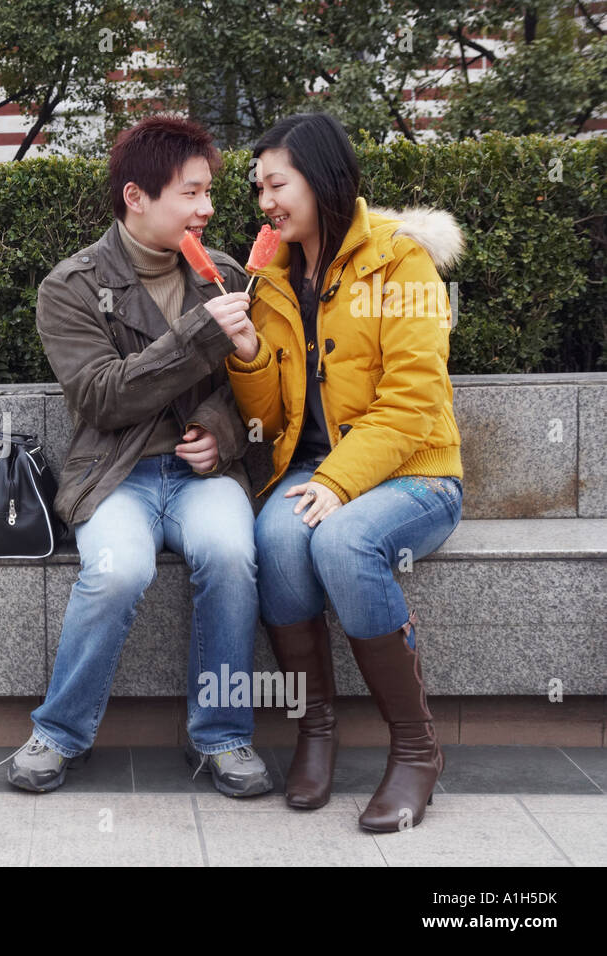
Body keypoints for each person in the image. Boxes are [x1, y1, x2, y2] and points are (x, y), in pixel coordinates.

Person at [1, 115, 272, 797]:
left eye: (209, 191)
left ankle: (222, 736)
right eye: (191, 193)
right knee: (118, 572)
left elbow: (259, 388)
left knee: (232, 557)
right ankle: (59, 732)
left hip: (201, 476)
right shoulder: (70, 287)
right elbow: (100, 398)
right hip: (116, 475)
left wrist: (223, 431)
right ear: (136, 197)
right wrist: (196, 336)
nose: (208, 208)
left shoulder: (231, 277)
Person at [226, 111, 465, 831]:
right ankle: (315, 728)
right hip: (311, 467)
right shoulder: (270, 276)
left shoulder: (400, 260)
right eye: (259, 187)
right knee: (275, 541)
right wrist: (244, 353)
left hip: (416, 474)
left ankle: (418, 750)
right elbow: (265, 413)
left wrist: (336, 482)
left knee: (340, 541)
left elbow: (416, 399)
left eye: (277, 183)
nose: (265, 200)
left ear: (322, 177)